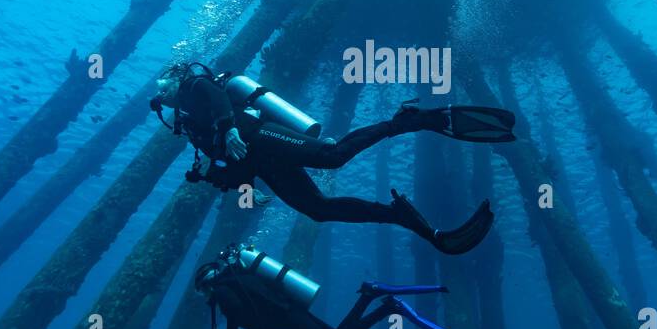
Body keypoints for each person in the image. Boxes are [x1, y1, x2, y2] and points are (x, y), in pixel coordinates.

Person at [150, 61, 516, 255]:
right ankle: (398, 216)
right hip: (264, 162)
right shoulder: (188, 124)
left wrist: (229, 127)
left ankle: (409, 121)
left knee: (333, 156)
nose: (160, 92)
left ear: (175, 77)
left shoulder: (195, 86)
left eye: (161, 84)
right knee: (319, 210)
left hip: (258, 133)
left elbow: (217, 101)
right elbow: (229, 165)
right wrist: (242, 185)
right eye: (159, 90)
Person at [195, 244, 459, 329]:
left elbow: (236, 313)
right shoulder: (237, 279)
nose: (206, 298)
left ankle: (377, 301)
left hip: (288, 319)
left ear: (206, 284)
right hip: (290, 313)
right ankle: (380, 302)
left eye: (203, 293)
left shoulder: (222, 290)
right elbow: (255, 310)